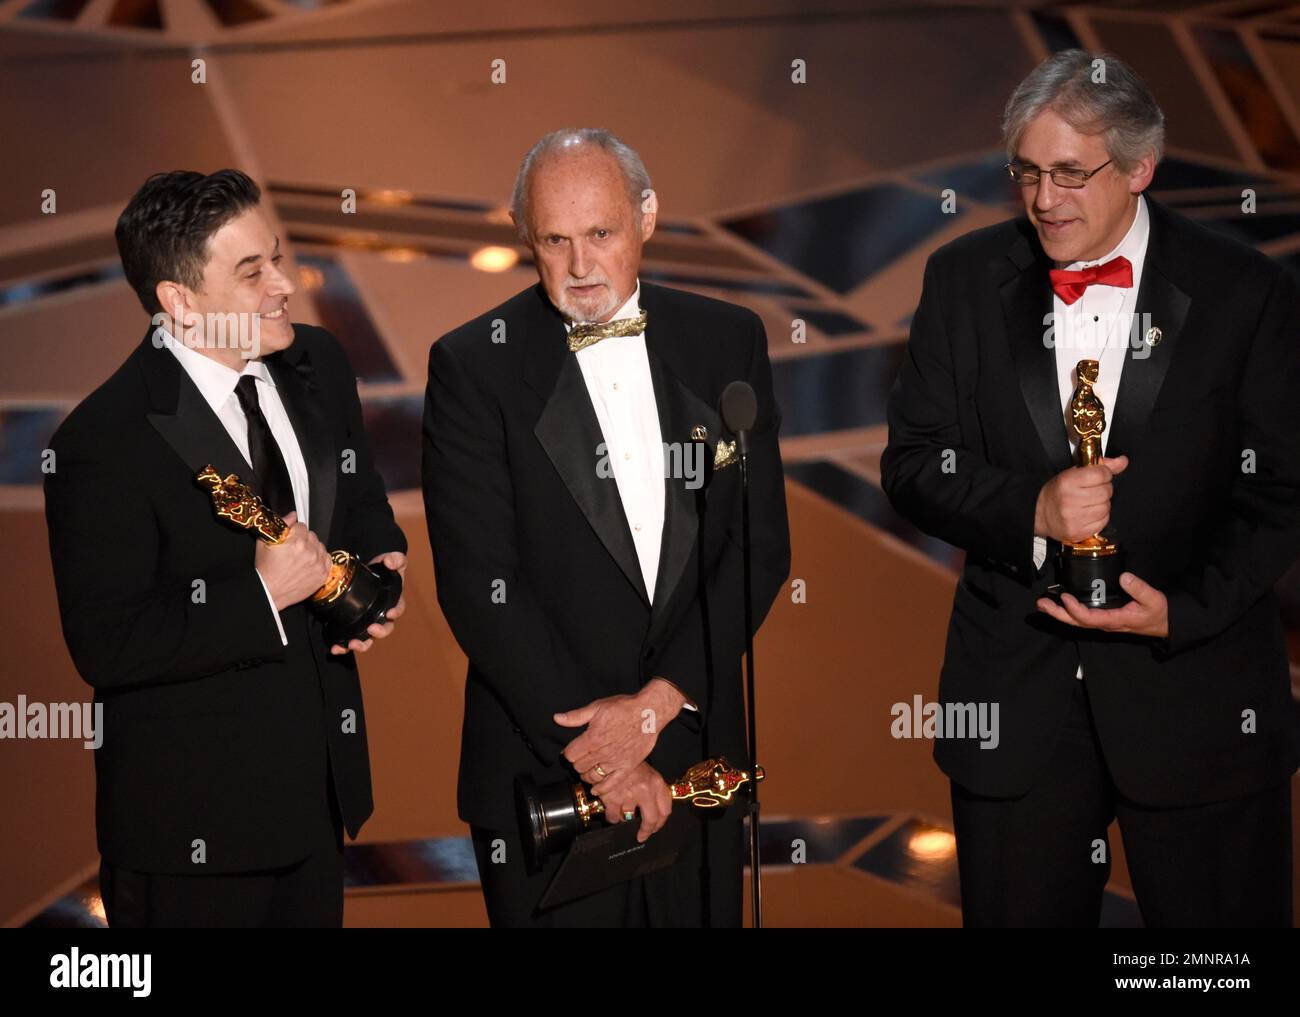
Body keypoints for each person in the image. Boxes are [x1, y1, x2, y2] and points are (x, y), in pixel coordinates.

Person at [882, 49, 1300, 927]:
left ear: (1142, 166)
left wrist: (1180, 611)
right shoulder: (961, 281)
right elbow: (915, 464)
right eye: (1028, 172)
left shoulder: (1247, 292)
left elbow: (1281, 495)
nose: (1043, 199)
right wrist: (1030, 509)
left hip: (1199, 699)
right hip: (1016, 711)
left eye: (1072, 173)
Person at [422, 128, 791, 926]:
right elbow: (480, 586)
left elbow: (758, 549)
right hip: (547, 781)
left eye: (601, 233)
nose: (581, 266)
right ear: (527, 235)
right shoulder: (472, 365)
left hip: (698, 769)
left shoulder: (728, 339)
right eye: (555, 239)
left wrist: (656, 707)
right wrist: (606, 754)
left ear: (647, 218)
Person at [44, 169, 408, 927]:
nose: (285, 284)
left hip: (317, 806)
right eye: (253, 272)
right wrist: (262, 593)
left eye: (276, 257)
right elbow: (106, 644)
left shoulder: (318, 362)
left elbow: (357, 487)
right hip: (192, 836)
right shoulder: (102, 442)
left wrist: (380, 557)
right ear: (179, 300)